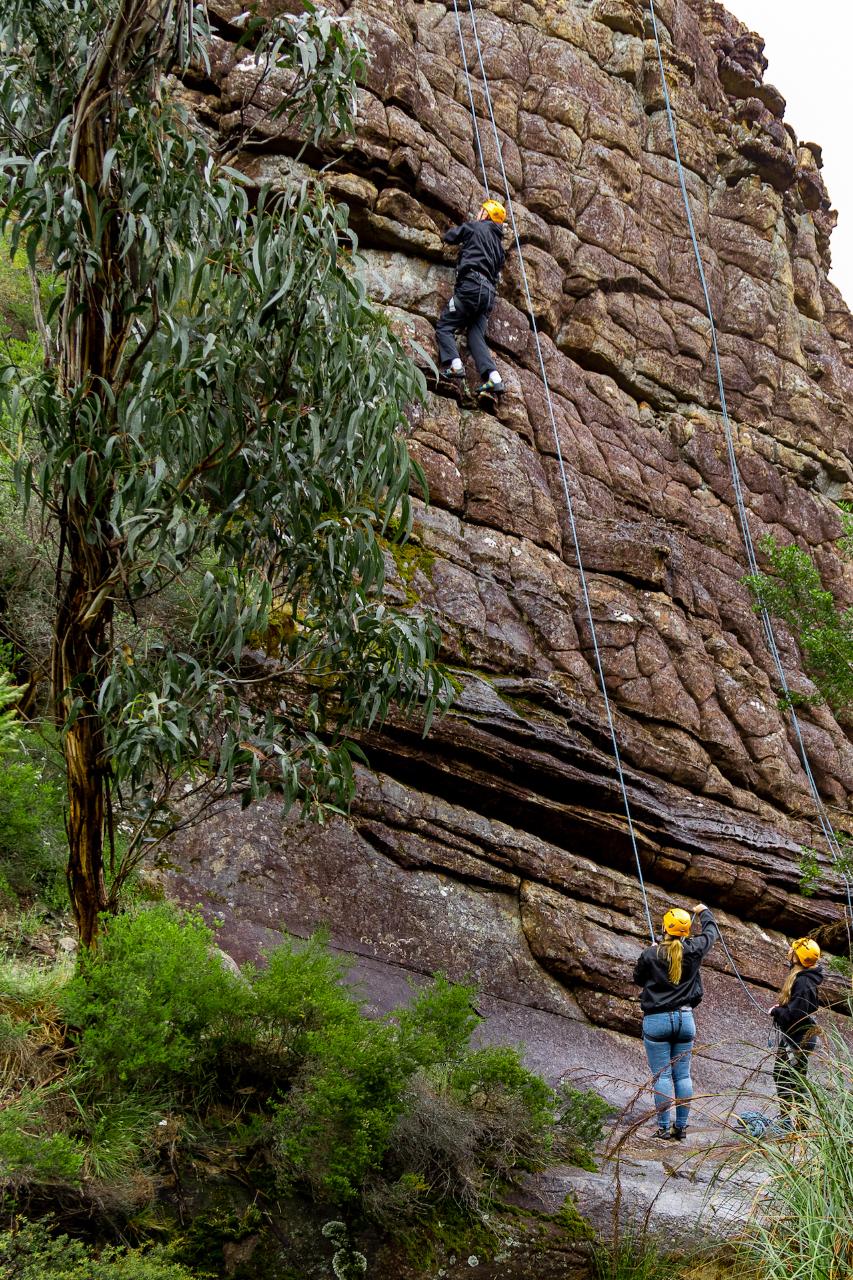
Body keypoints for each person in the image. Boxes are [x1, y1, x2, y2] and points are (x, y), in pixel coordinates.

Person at [632, 904, 719, 1141]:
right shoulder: (695, 949)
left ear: (665, 928)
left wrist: (651, 953)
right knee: (683, 1076)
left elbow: (638, 978)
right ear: (686, 931)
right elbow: (711, 932)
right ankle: (680, 1128)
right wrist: (703, 911)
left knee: (662, 1076)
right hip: (685, 1019)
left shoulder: (651, 954)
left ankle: (662, 1128)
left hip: (657, 1020)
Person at [435, 198, 507, 398]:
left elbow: (453, 236)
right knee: (476, 336)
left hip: (471, 287)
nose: (478, 213)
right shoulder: (500, 249)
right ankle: (494, 378)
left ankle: (455, 365)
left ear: (486, 215)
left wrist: (441, 236)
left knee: (445, 325)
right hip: (488, 296)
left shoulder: (476, 227)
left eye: (481, 210)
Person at [769, 937, 823, 1121]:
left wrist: (777, 1012)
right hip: (797, 1036)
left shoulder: (804, 983)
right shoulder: (803, 977)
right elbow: (799, 1008)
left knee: (791, 1079)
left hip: (799, 1039)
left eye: (793, 951)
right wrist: (783, 1008)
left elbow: (796, 1014)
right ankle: (793, 1121)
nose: (789, 952)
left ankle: (797, 1123)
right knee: (787, 1077)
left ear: (798, 957)